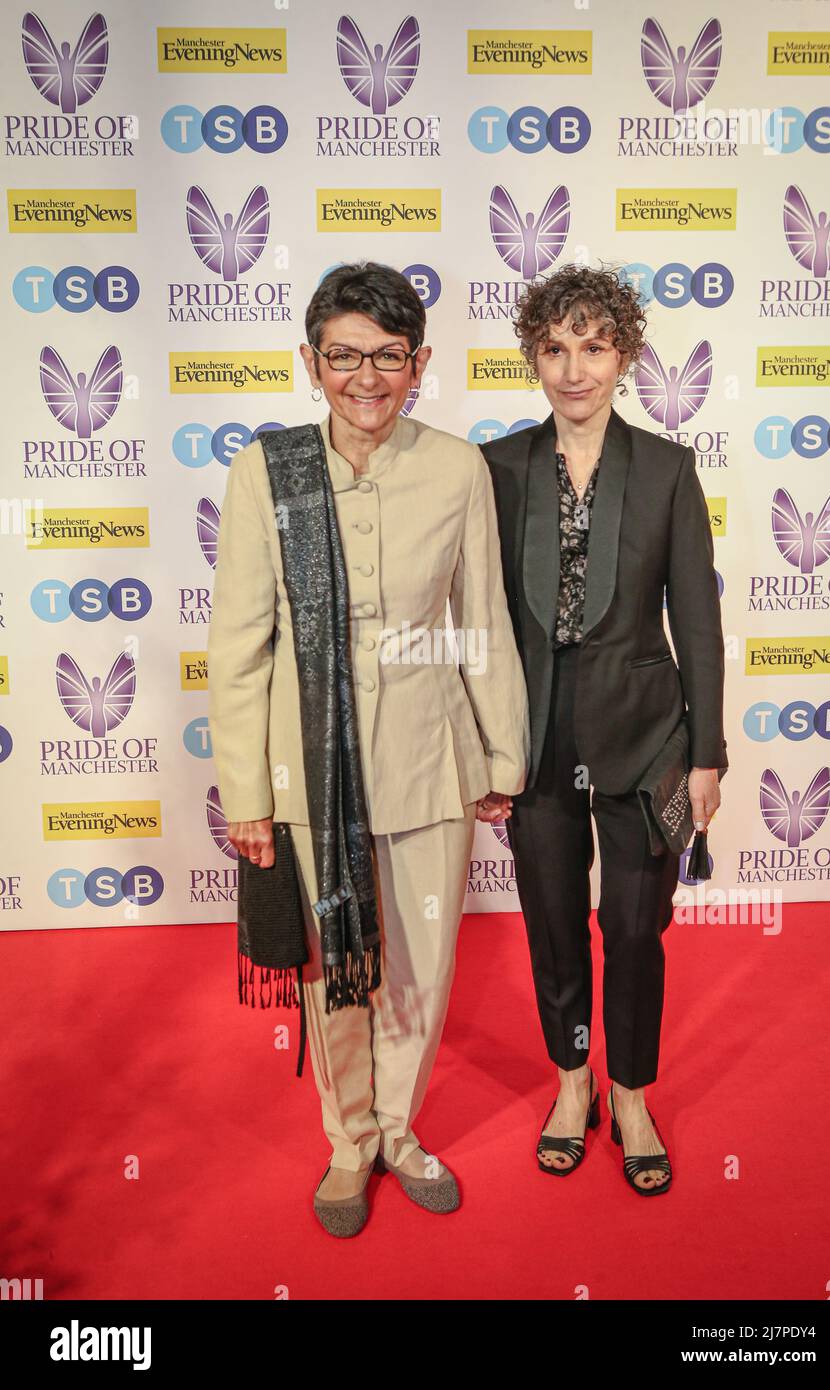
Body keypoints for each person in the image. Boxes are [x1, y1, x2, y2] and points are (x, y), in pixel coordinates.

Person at [207, 261, 529, 1235]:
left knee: (420, 970)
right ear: (311, 361)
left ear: (418, 362)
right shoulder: (270, 470)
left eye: (386, 356)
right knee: (334, 972)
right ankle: (347, 1141)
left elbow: (480, 622)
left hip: (429, 761)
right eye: (343, 355)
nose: (365, 377)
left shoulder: (455, 467)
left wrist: (501, 757)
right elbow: (238, 644)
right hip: (308, 772)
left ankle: (397, 1126)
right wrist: (246, 794)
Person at [481, 264, 726, 1195]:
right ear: (534, 357)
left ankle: (630, 1091)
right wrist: (484, 747)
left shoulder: (666, 467)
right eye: (554, 348)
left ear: (624, 353)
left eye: (593, 345)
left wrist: (705, 754)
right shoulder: (499, 469)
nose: (573, 368)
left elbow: (695, 621)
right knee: (551, 925)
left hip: (646, 736)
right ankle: (572, 1081)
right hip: (535, 741)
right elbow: (484, 618)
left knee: (633, 927)